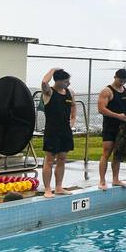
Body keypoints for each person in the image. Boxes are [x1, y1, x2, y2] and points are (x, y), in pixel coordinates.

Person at [40, 67, 77, 197]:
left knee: (62, 159)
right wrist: (52, 70)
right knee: (49, 160)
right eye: (66, 81)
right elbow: (44, 82)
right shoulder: (49, 92)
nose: (69, 83)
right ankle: (48, 189)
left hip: (65, 131)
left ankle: (59, 187)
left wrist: (72, 120)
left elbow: (73, 107)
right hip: (52, 131)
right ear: (58, 81)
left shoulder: (69, 92)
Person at [98, 68, 126, 190]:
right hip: (110, 126)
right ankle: (102, 181)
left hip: (123, 127)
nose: (122, 83)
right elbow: (101, 109)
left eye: (124, 81)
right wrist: (117, 116)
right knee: (106, 153)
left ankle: (115, 179)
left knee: (118, 154)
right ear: (115, 77)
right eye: (120, 80)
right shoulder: (107, 91)